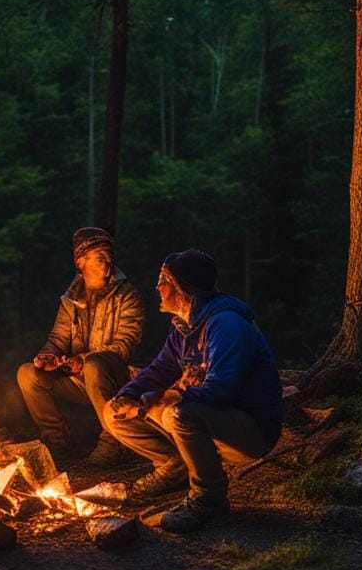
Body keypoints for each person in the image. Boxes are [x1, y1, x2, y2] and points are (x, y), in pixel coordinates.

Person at [104, 249, 282, 533]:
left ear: (183, 287)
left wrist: (164, 398)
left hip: (250, 432)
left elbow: (222, 390)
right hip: (208, 418)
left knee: (179, 413)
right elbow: (160, 369)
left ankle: (209, 500)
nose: (157, 286)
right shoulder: (184, 326)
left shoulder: (226, 324)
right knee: (114, 412)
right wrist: (130, 395)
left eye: (163, 279)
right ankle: (175, 466)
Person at [16, 228, 143, 461]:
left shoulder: (127, 295)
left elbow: (126, 345)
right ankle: (58, 442)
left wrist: (84, 359)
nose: (108, 264)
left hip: (120, 381)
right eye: (100, 258)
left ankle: (114, 439)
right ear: (80, 262)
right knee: (27, 374)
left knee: (94, 364)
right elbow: (58, 339)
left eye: (109, 258)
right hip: (82, 380)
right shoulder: (71, 299)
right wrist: (47, 355)